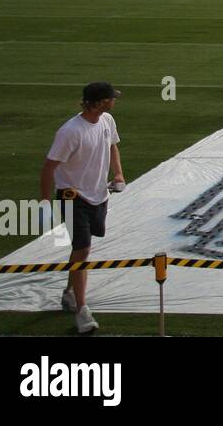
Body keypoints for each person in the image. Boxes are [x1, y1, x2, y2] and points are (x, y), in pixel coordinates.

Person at [40, 82, 127, 334]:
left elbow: (112, 146)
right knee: (83, 248)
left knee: (81, 252)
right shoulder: (70, 132)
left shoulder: (107, 121)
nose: (114, 101)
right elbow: (49, 167)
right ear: (99, 102)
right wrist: (45, 202)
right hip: (72, 197)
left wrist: (118, 174)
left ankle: (69, 292)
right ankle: (82, 310)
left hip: (98, 196)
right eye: (111, 98)